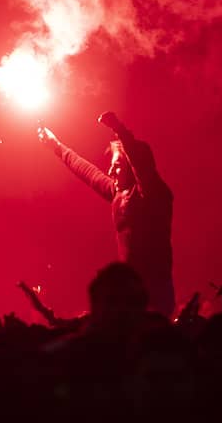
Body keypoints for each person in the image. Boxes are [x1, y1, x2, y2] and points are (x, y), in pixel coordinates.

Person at [38, 111, 175, 316]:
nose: (110, 171)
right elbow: (86, 170)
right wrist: (56, 146)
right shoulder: (119, 194)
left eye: (117, 165)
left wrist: (120, 131)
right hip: (129, 292)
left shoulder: (152, 194)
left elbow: (142, 164)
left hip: (154, 291)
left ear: (132, 168)